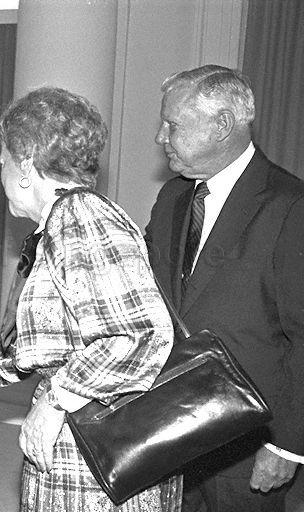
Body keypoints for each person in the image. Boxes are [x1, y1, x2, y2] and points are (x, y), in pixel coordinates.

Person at [0, 86, 181, 512]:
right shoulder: (60, 222)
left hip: (96, 450)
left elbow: (139, 335)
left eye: (2, 162)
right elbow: (34, 348)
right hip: (78, 434)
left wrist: (56, 402)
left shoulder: (80, 218)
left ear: (25, 166)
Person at [145, 64, 304, 512]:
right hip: (170, 427)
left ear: (222, 125)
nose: (160, 137)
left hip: (249, 442)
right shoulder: (173, 198)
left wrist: (288, 445)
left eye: (172, 125)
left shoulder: (289, 206)